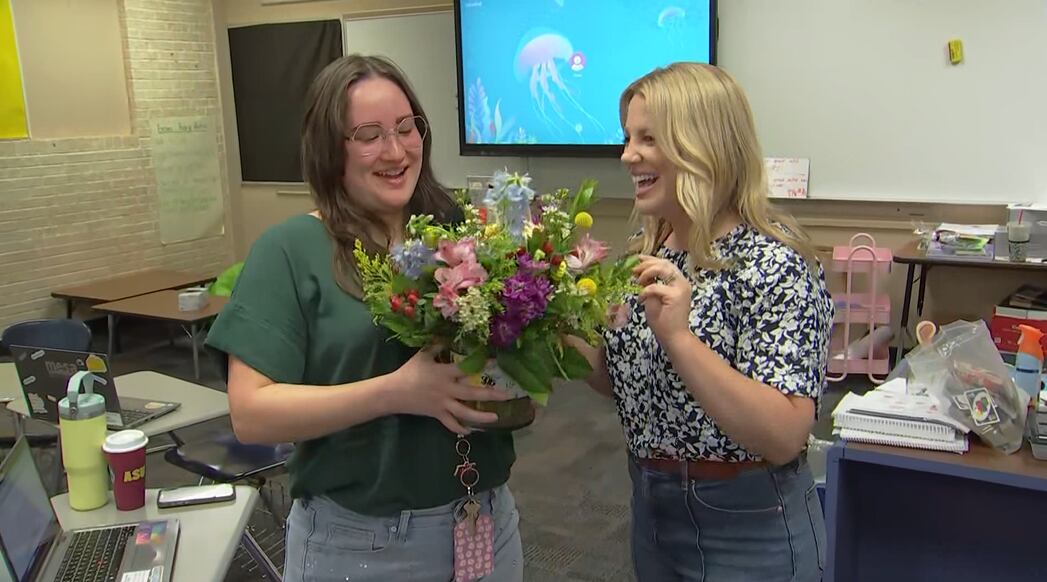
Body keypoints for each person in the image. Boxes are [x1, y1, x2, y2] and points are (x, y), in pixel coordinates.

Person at [205, 54, 523, 582]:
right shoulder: (291, 251)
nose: (395, 151)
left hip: (485, 518)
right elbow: (252, 413)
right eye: (369, 135)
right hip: (365, 543)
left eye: (406, 128)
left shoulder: (464, 230)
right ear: (331, 149)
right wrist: (395, 392)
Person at [572, 62, 833, 581]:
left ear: (702, 144)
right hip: (652, 510)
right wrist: (556, 325)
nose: (628, 155)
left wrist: (679, 339)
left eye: (648, 138)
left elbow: (784, 434)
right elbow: (623, 383)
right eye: (628, 137)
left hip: (748, 524)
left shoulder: (774, 264)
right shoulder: (646, 253)